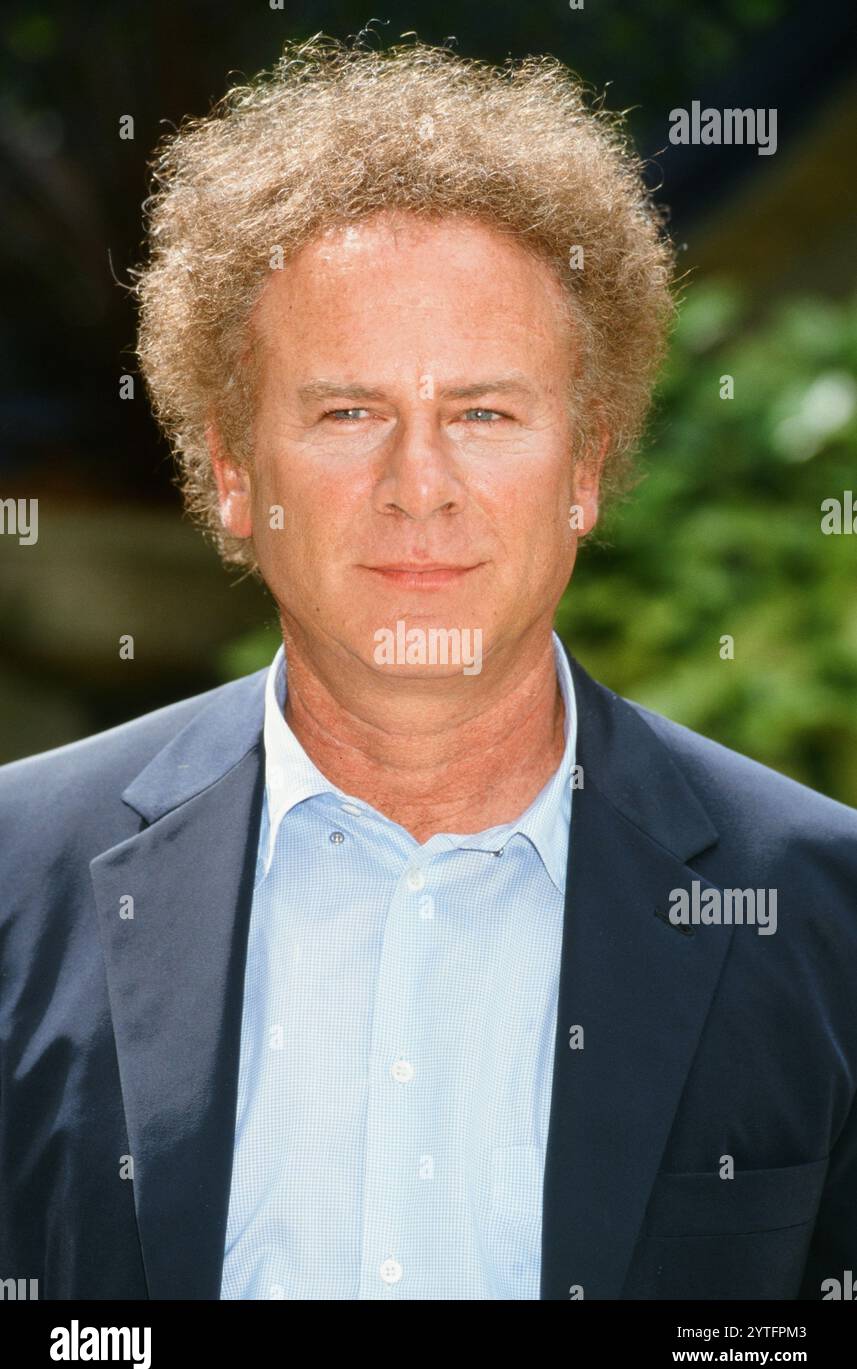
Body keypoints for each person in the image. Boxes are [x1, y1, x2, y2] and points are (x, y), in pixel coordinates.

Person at [1, 36, 855, 1302]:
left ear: (582, 469)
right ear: (232, 473)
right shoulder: (18, 884)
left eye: (484, 413)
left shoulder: (823, 910)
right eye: (347, 413)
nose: (419, 487)